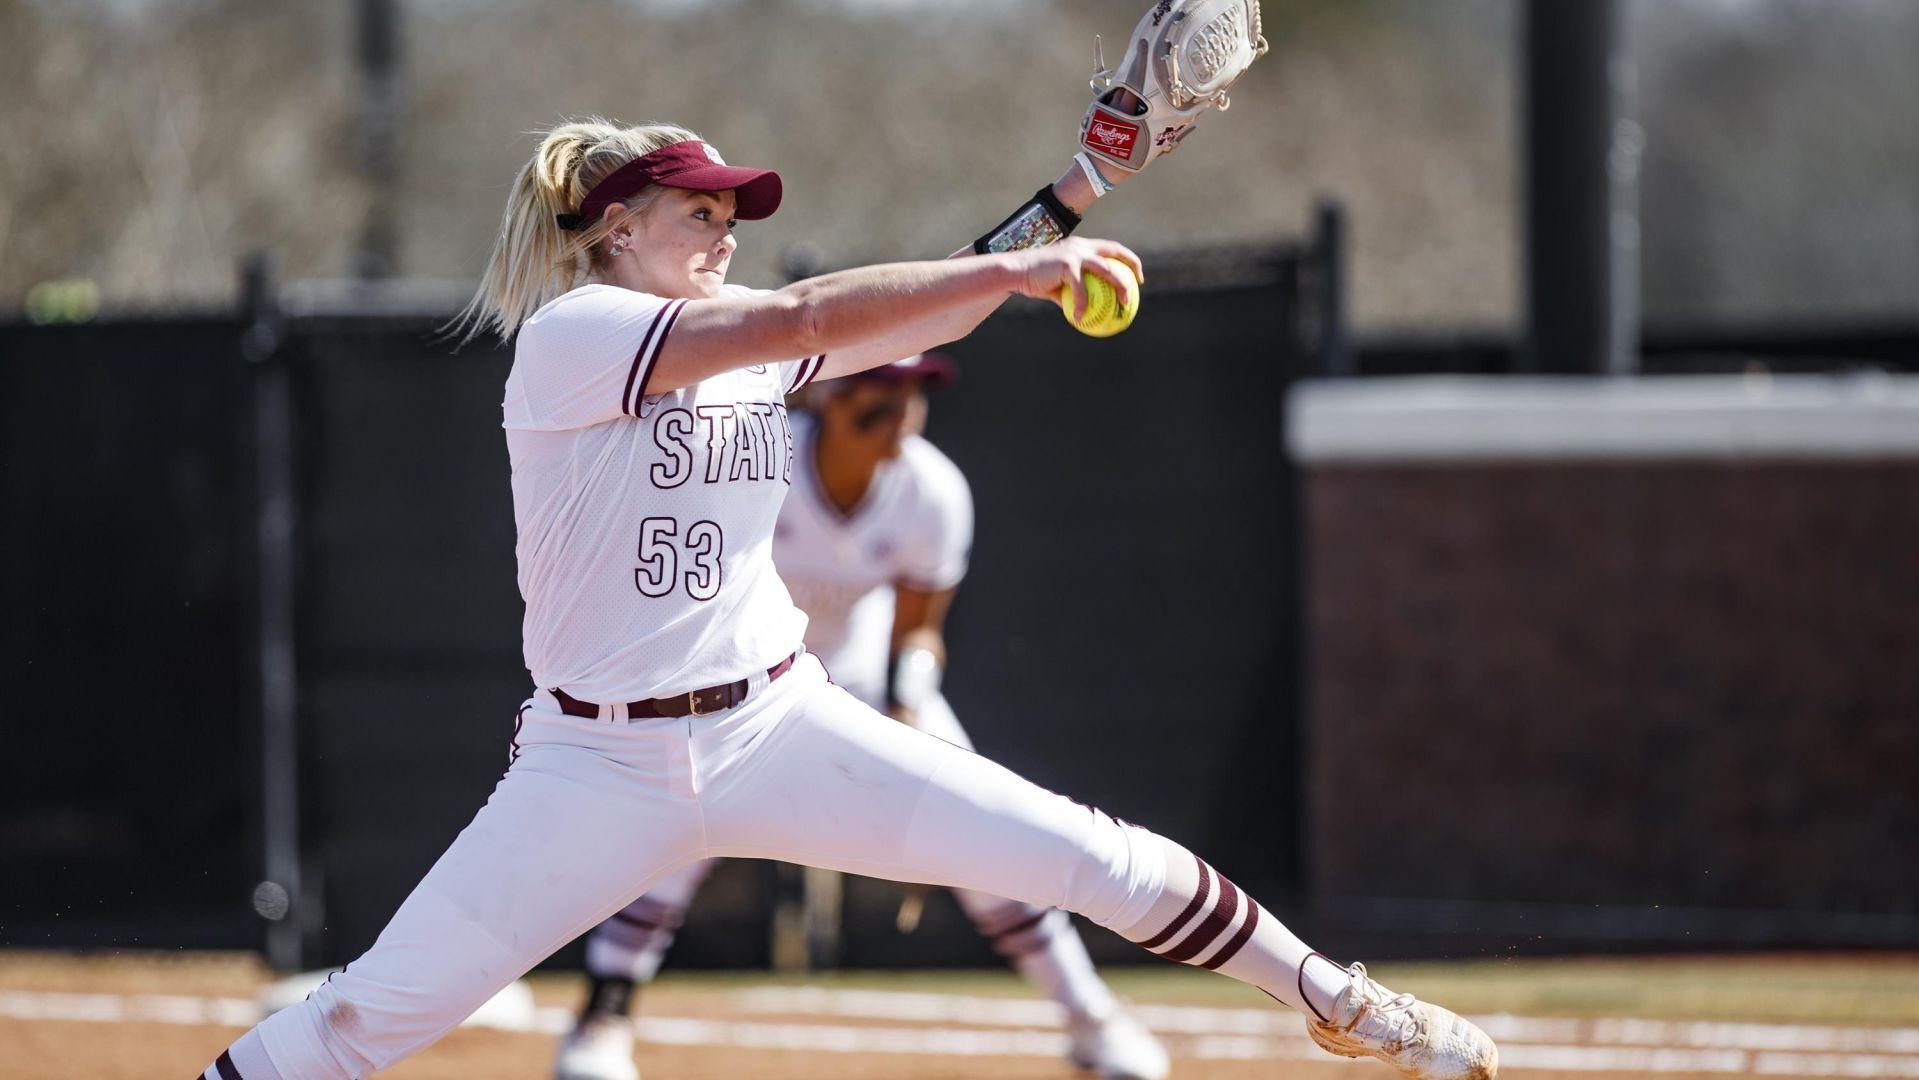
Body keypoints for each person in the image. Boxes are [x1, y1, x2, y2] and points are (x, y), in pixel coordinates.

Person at [198, 116, 1497, 1080]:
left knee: (1082, 852)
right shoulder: (574, 333)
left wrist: (1068, 194)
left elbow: (903, 310)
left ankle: (1343, 1004)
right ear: (611, 229)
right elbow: (820, 309)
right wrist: (1005, 275)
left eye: (729, 213)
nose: (723, 229)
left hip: (776, 726)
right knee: (369, 1021)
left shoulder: (746, 337)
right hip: (591, 762)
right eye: (695, 211)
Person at [555, 354, 1170, 1080]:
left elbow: (919, 630)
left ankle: (1090, 1020)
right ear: (829, 395)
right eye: (879, 388)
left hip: (861, 682)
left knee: (990, 832)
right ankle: (600, 1022)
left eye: (911, 391)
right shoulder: (759, 464)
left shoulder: (932, 491)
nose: (900, 408)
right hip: (739, 680)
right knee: (669, 839)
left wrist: (908, 707)